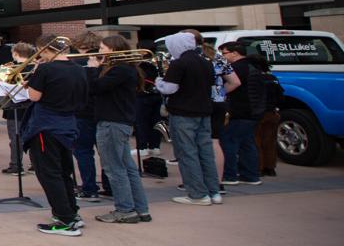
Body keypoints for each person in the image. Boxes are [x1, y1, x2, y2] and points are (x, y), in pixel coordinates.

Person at [21, 34, 87, 236]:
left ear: (44, 49)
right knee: (64, 171)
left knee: (49, 174)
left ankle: (64, 219)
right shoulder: (78, 68)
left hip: (46, 126)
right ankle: (71, 213)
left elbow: (34, 96)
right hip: (68, 124)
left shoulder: (46, 69)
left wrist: (32, 80)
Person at [157, 32, 229, 205]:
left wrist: (159, 81)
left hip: (183, 113)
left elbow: (169, 88)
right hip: (204, 112)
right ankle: (214, 191)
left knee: (187, 152)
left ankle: (197, 193)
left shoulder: (179, 63)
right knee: (205, 152)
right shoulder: (205, 62)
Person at [89, 36, 152, 224]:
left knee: (114, 168)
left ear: (113, 49)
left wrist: (93, 69)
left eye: (102, 48)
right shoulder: (126, 69)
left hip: (112, 122)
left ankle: (125, 209)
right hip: (118, 121)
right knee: (128, 167)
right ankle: (140, 208)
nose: (99, 52)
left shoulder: (121, 70)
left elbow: (96, 87)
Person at [218, 41, 268, 186]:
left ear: (235, 53)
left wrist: (220, 94)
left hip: (238, 111)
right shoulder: (254, 66)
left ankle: (230, 175)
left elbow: (230, 85)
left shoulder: (235, 68)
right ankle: (251, 175)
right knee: (247, 143)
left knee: (229, 142)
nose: (223, 56)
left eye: (224, 53)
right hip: (254, 111)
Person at [66, 32, 103, 202]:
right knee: (104, 152)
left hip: (82, 112)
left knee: (83, 151)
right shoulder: (106, 61)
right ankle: (109, 185)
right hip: (103, 112)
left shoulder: (76, 63)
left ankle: (89, 188)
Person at [0, 41, 35, 174]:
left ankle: (16, 165)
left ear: (15, 53)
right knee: (32, 135)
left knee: (15, 137)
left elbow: (5, 88)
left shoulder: (11, 69)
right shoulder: (36, 67)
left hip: (15, 107)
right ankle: (35, 163)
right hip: (32, 106)